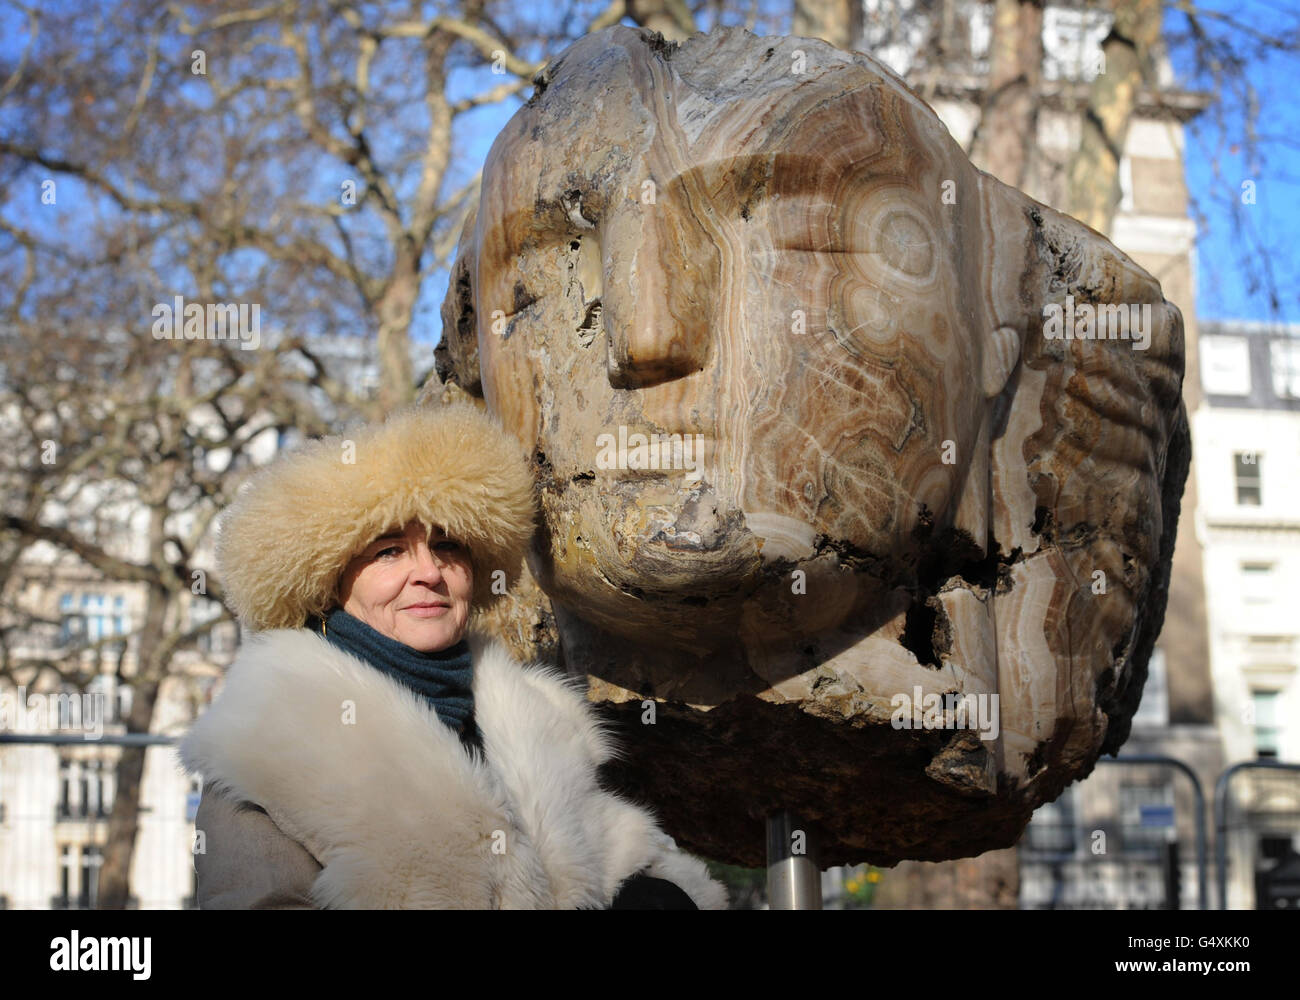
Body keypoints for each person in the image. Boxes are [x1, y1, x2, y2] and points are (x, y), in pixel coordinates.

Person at [176, 402, 727, 909]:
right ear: (327, 585)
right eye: (389, 551)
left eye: (447, 546)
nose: (429, 572)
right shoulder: (260, 747)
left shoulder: (537, 720)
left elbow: (628, 858)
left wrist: (657, 896)